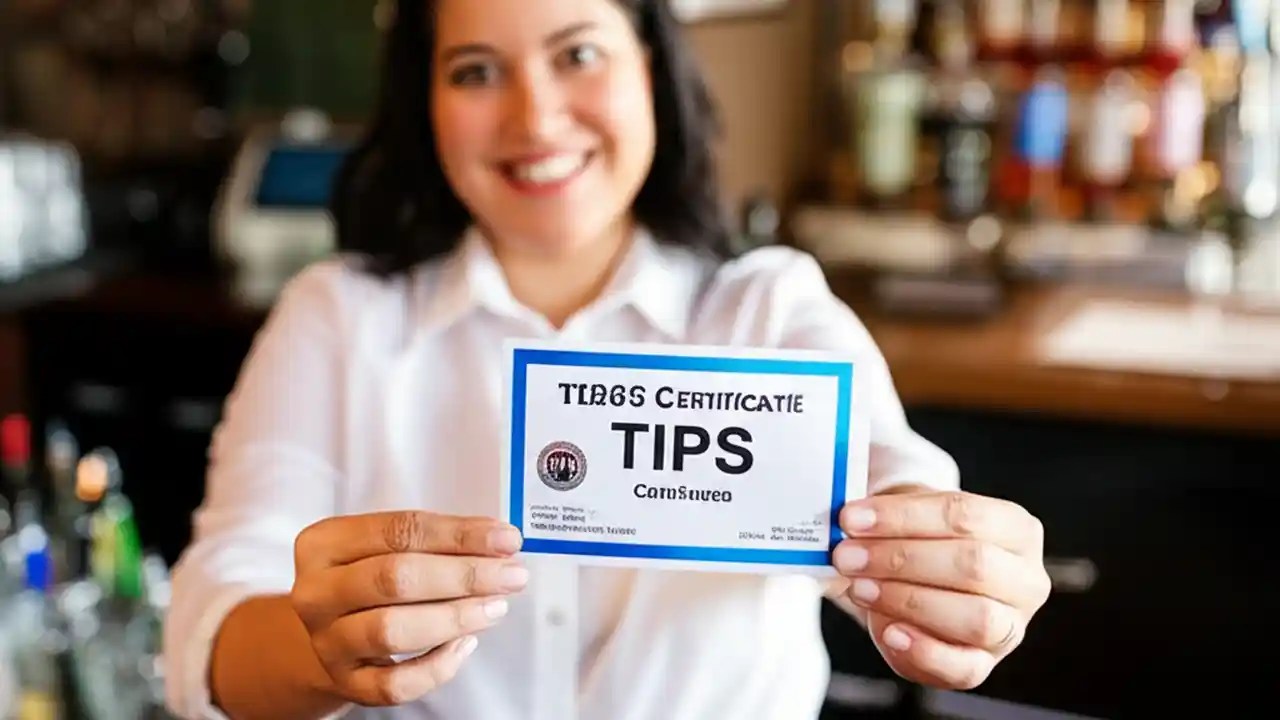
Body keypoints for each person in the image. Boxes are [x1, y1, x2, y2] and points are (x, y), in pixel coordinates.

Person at [162, 0, 1051, 718]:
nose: (536, 116)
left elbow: (892, 488)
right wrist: (322, 650)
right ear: (422, 102)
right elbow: (210, 633)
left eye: (578, 54)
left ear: (651, 70)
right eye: (476, 70)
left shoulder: (769, 309)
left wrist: (951, 567)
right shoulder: (338, 317)